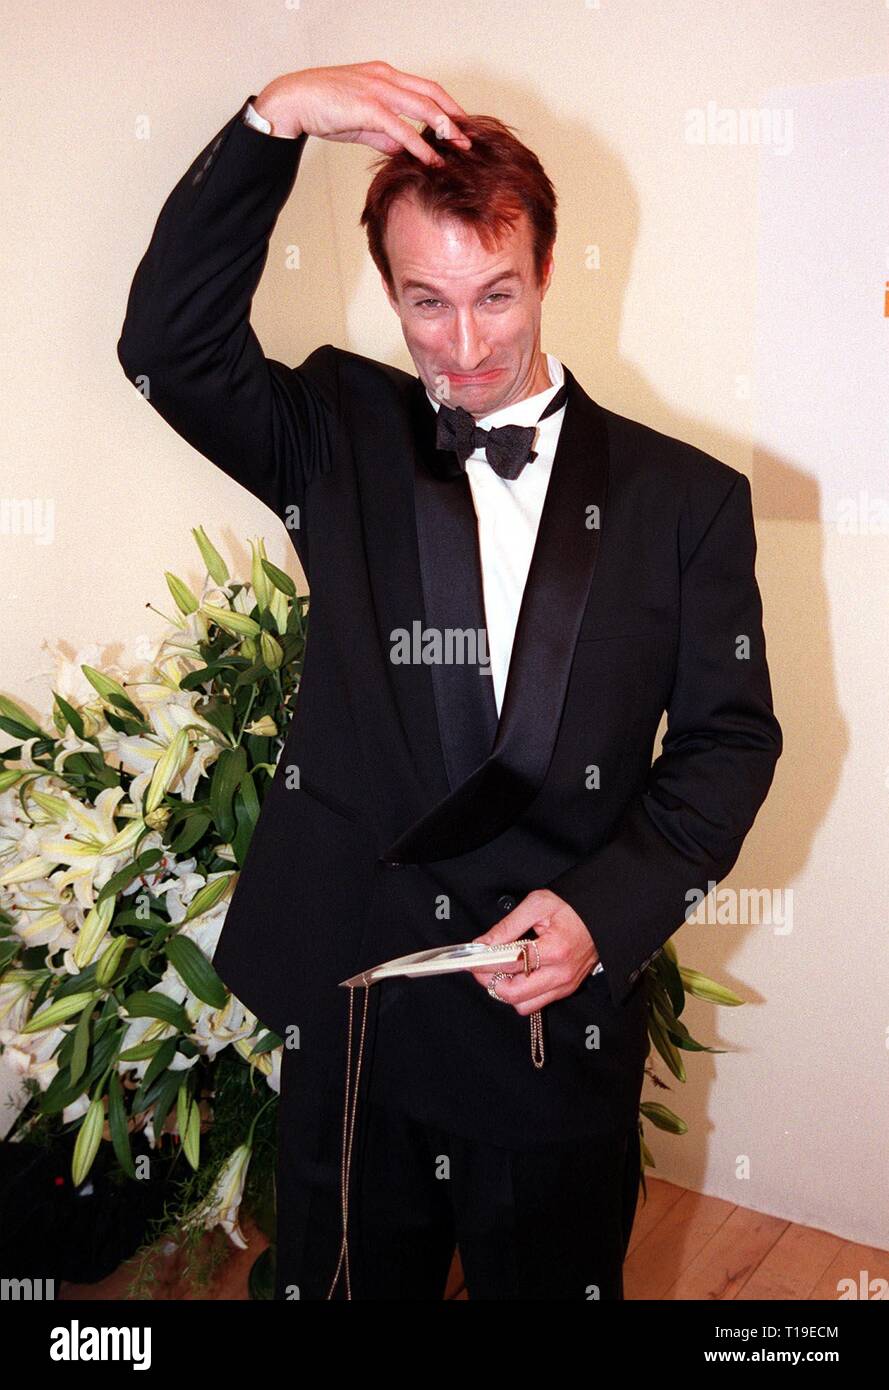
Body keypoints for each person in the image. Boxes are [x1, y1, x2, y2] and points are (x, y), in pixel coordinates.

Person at [116, 61, 783, 1301]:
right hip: (357, 1007)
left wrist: (603, 914)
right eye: (426, 302)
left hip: (548, 1016)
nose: (465, 346)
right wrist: (280, 118)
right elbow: (164, 342)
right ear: (388, 289)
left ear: (547, 272)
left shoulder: (685, 501)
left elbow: (728, 742)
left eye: (495, 295)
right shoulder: (338, 428)